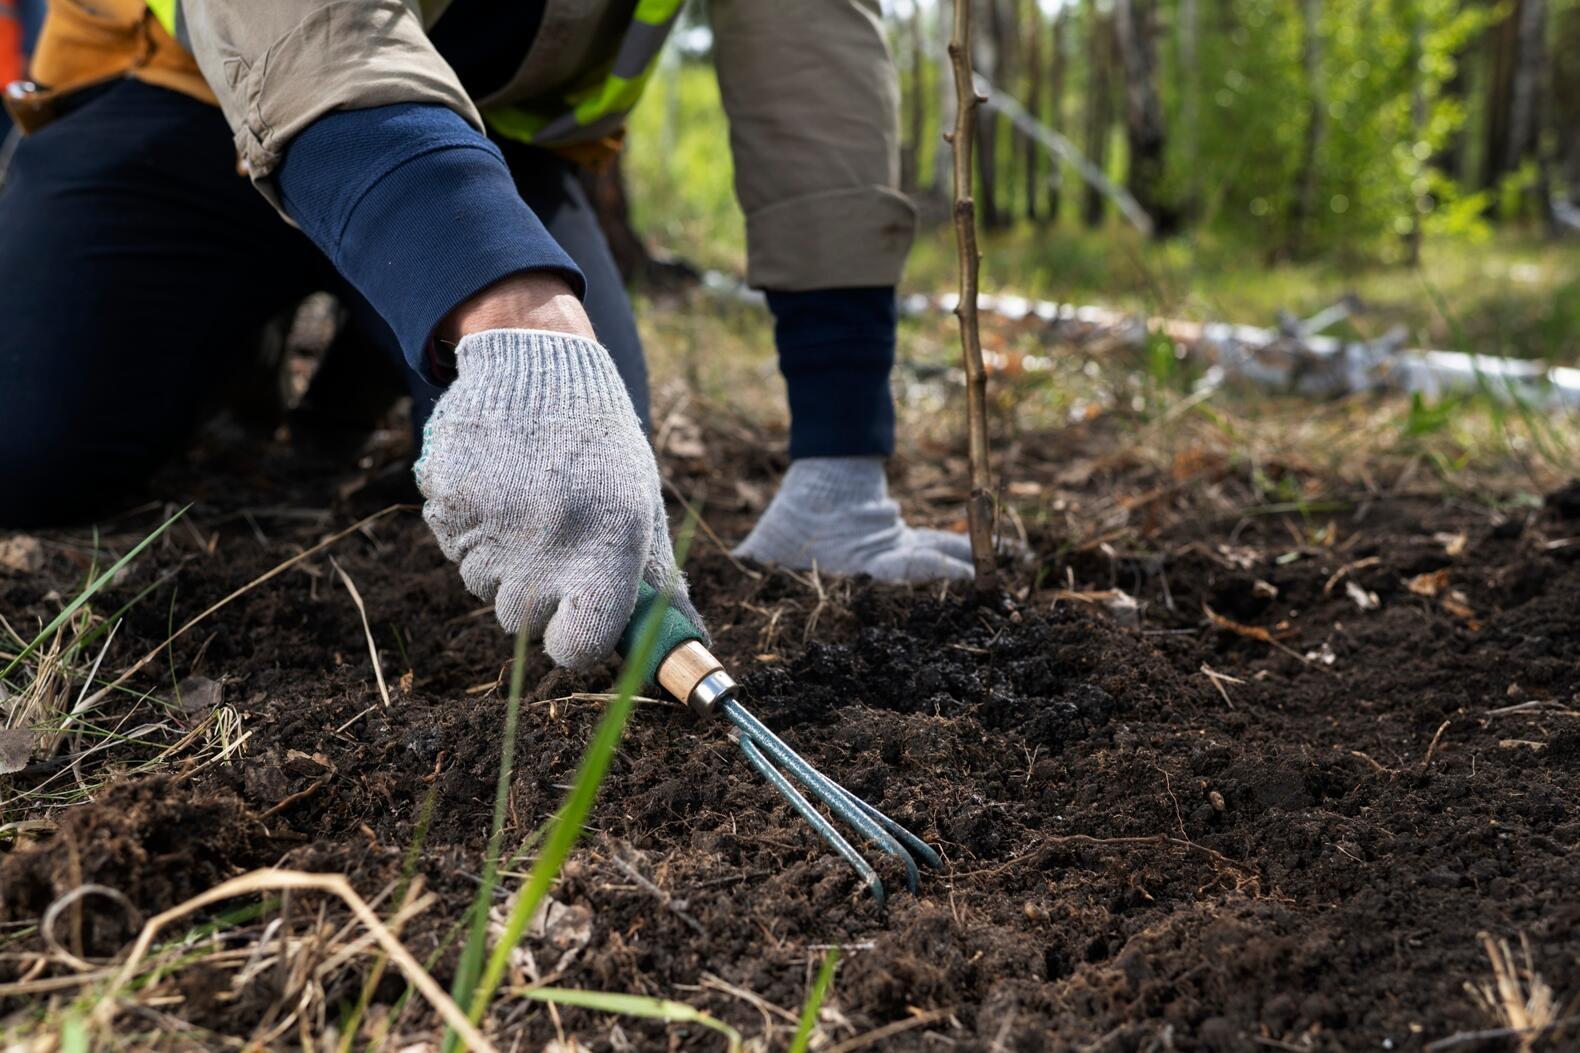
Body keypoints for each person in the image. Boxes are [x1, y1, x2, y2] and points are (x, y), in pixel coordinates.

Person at [0, 0, 978, 671]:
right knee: (32, 448)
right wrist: (513, 312)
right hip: (184, 100)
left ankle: (381, 331)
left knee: (584, 514)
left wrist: (839, 459)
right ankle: (248, 340)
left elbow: (811, 71)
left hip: (498, 146)